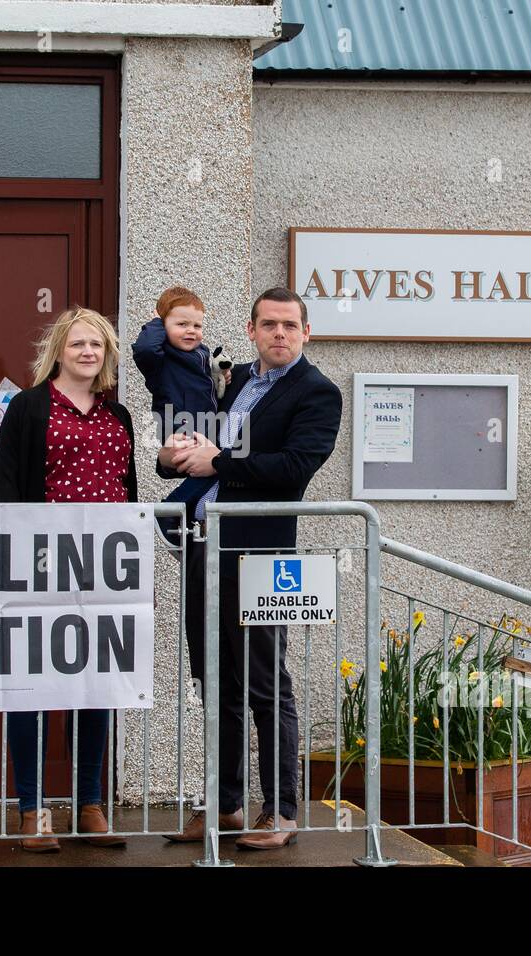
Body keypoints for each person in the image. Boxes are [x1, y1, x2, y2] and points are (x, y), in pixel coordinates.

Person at [158, 286, 342, 850]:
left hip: (261, 556)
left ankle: (282, 812)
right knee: (215, 682)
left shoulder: (318, 393)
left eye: (290, 325)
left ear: (306, 333)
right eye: (269, 325)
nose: (280, 334)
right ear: (251, 330)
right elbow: (197, 458)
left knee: (266, 685)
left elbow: (293, 467)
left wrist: (218, 459)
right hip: (204, 549)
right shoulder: (233, 381)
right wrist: (170, 457)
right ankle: (226, 805)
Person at [0, 306, 138, 853]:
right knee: (30, 686)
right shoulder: (28, 410)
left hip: (102, 571)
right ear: (58, 350)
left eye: (97, 346)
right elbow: (6, 490)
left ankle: (90, 805)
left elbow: (128, 495)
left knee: (93, 686)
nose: (87, 353)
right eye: (77, 343)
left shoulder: (116, 415)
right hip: (39, 567)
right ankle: (33, 811)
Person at [131, 286, 225, 536]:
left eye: (197, 326)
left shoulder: (200, 354)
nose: (191, 331)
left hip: (204, 425)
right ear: (163, 324)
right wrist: (157, 321)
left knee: (213, 469)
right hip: (178, 427)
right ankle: (171, 511)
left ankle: (183, 514)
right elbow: (145, 348)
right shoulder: (161, 360)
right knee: (216, 468)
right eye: (181, 324)